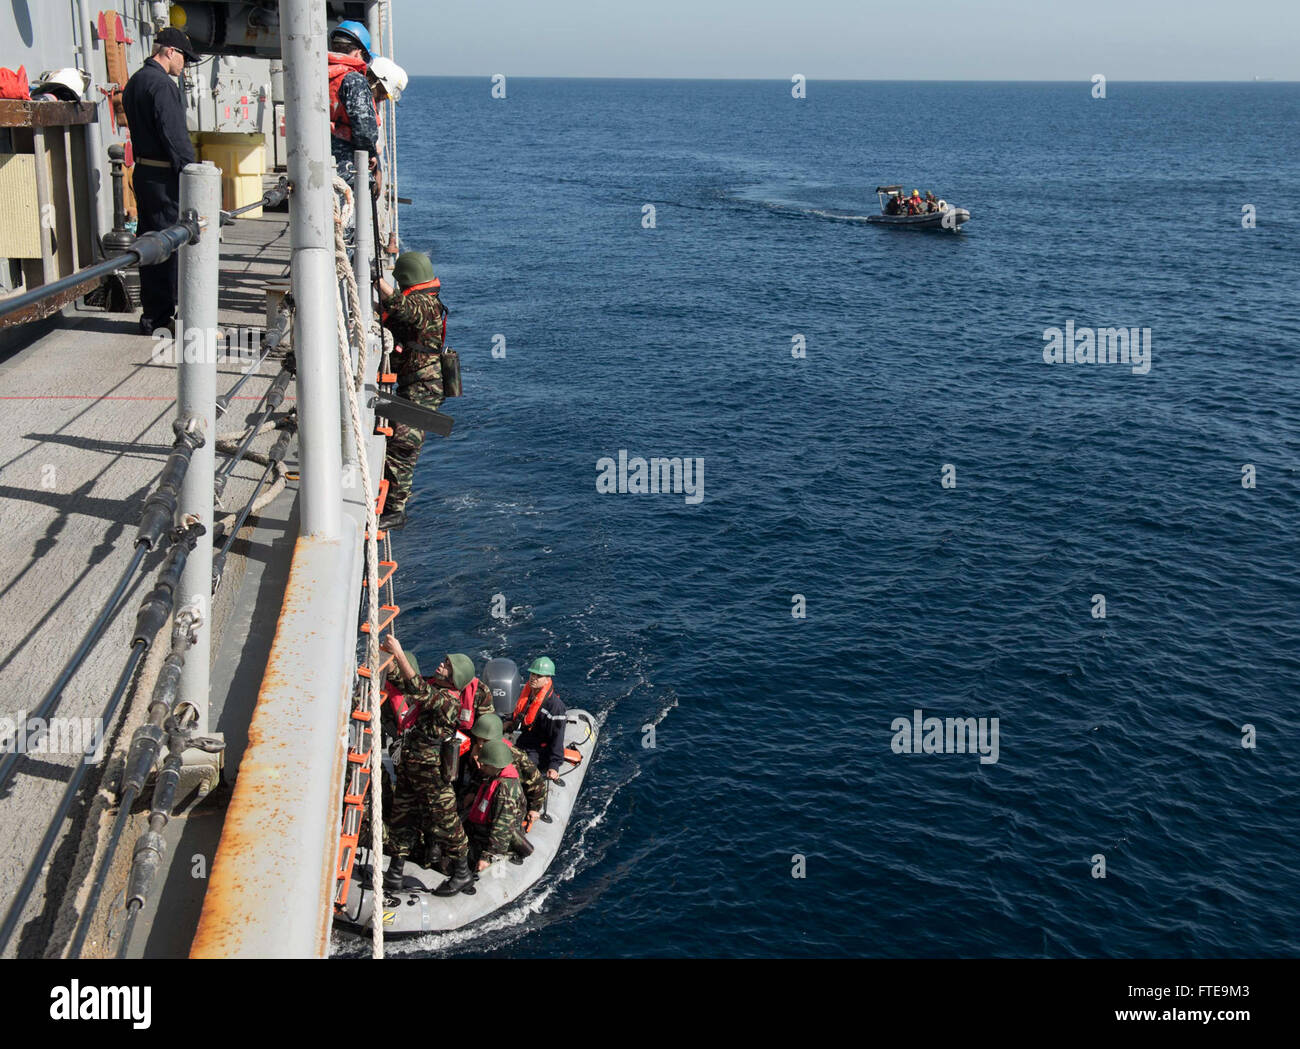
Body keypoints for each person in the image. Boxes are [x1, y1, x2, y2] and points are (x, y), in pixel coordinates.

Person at [381, 636, 476, 895]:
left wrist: (399, 653)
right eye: (444, 661)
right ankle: (395, 873)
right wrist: (390, 666)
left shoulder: (450, 701)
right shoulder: (436, 689)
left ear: (455, 677)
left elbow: (420, 691)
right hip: (412, 768)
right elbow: (407, 683)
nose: (441, 665)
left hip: (432, 773)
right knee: (402, 817)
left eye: (447, 665)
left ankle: (462, 873)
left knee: (447, 822)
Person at [121, 27, 200, 336]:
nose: (186, 66)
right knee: (172, 243)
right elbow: (174, 135)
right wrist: (192, 173)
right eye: (185, 59)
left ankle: (154, 315)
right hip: (165, 177)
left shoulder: (135, 82)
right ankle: (170, 317)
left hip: (144, 173)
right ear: (170, 52)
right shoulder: (162, 85)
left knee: (151, 242)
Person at [376, 251, 447, 530]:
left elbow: (404, 308)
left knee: (403, 447)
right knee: (402, 444)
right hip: (418, 385)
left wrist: (379, 284)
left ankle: (395, 511)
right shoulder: (427, 301)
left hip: (423, 388)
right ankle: (393, 504)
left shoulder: (425, 304)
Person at [460, 712, 547, 826]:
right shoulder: (479, 750)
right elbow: (481, 775)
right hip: (488, 794)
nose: (481, 744)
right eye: (478, 740)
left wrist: (534, 808)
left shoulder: (516, 756)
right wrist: (472, 791)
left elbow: (537, 782)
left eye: (485, 741)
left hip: (509, 799)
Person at [327, 20, 379, 189]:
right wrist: (370, 153)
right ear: (359, 52)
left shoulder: (316, 73)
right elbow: (365, 130)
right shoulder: (354, 79)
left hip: (315, 157)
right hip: (345, 167)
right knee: (342, 212)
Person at [464, 740, 528, 873]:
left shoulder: (505, 791)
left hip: (489, 839)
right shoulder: (494, 775)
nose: (481, 767)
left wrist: (488, 857)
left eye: (485, 765)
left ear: (494, 765)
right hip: (480, 829)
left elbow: (503, 827)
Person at [508, 657, 567, 782]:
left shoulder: (555, 707)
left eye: (538, 676)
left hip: (538, 751)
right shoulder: (528, 694)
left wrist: (554, 766)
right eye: (532, 674)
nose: (533, 678)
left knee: (518, 776)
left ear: (547, 680)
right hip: (522, 742)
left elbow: (557, 737)